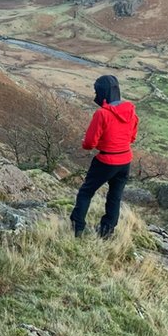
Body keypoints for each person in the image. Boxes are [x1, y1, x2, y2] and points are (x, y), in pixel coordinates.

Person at [70, 75, 139, 239]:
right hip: (125, 161)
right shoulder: (131, 111)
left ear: (102, 92)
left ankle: (77, 228)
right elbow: (132, 138)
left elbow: (89, 143)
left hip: (106, 160)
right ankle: (106, 233)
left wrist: (99, 144)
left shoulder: (102, 114)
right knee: (115, 197)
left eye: (96, 91)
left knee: (86, 192)